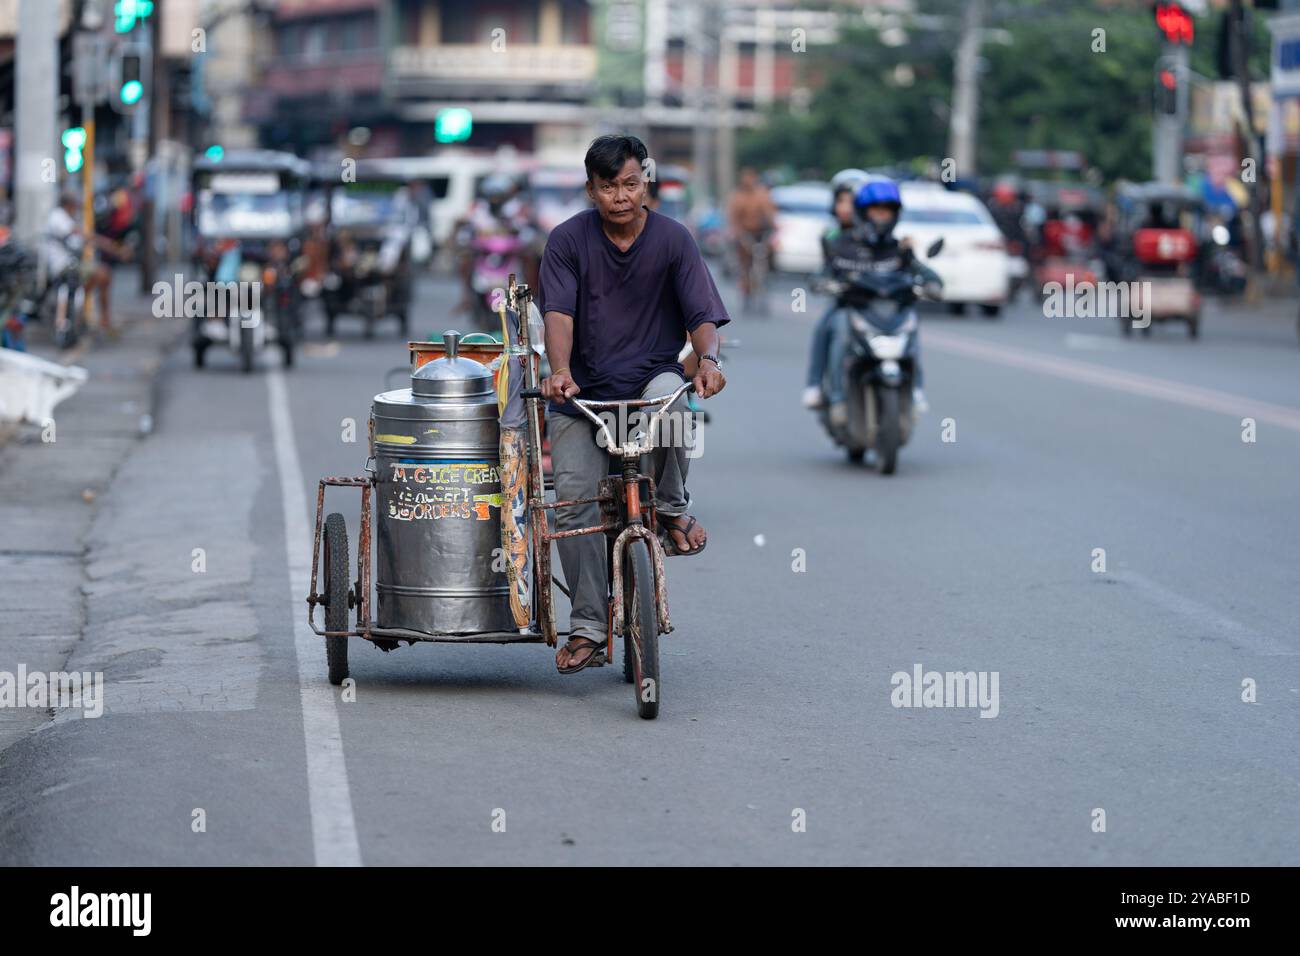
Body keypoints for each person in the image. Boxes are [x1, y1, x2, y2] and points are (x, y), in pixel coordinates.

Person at [538, 134, 729, 675]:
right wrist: (560, 372)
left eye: (629, 184)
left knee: (674, 407)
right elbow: (559, 314)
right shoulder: (567, 241)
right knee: (573, 504)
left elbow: (702, 316)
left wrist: (709, 362)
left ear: (645, 182)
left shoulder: (674, 239)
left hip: (651, 376)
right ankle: (589, 627)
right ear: (591, 190)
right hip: (583, 394)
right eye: (607, 187)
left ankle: (669, 508)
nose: (620, 197)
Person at [821, 177, 940, 423]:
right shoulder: (843, 244)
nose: (880, 217)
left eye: (886, 211)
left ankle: (916, 391)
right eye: (875, 211)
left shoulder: (900, 248)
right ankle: (837, 398)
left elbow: (925, 273)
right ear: (864, 213)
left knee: (912, 329)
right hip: (854, 310)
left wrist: (932, 285)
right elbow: (824, 273)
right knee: (838, 330)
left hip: (889, 313)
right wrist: (824, 283)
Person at [802, 168, 869, 408]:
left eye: (853, 202)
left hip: (874, 304)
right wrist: (823, 282)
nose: (846, 207)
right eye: (841, 201)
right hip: (845, 302)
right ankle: (816, 385)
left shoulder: (877, 234)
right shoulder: (831, 235)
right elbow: (826, 269)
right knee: (825, 330)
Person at [727, 167, 778, 300]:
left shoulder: (762, 194)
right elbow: (733, 217)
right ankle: (745, 282)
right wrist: (737, 232)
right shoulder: (738, 196)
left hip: (761, 233)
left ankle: (769, 274)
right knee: (744, 260)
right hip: (745, 233)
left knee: (770, 251)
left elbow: (769, 212)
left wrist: (774, 226)